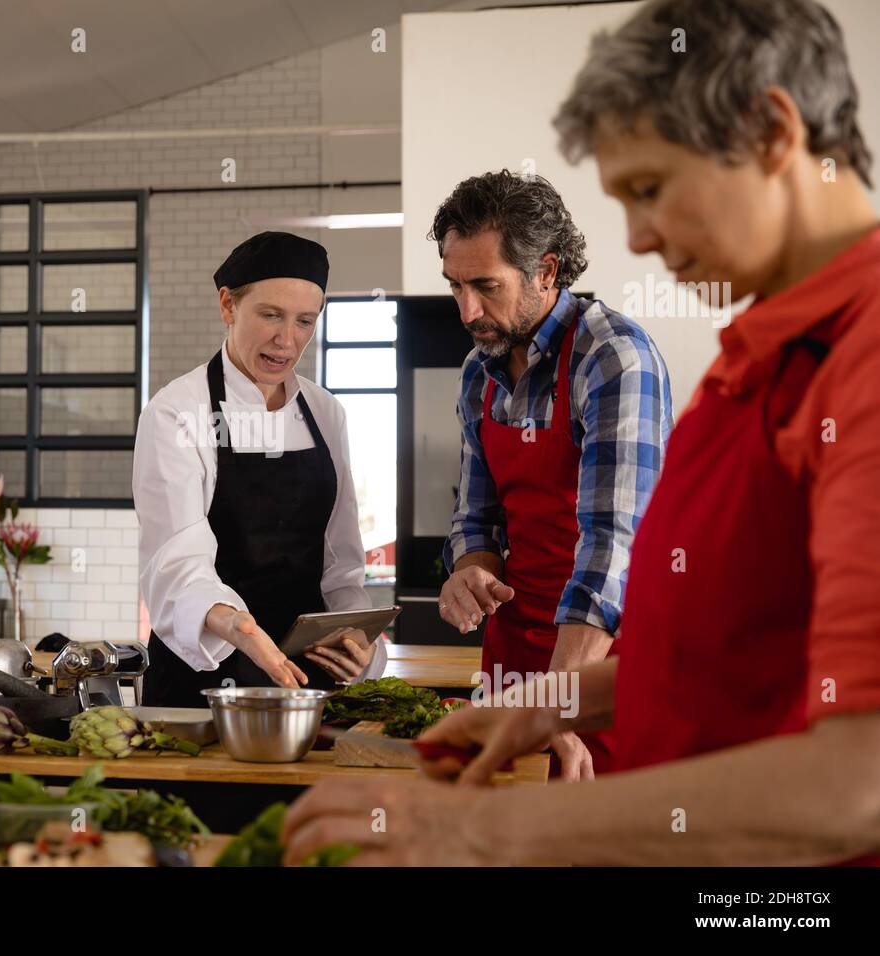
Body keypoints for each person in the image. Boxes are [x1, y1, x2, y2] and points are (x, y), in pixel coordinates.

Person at [282, 0, 880, 866]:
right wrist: (542, 706)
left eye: (649, 188)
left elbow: (859, 780)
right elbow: (719, 653)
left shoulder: (861, 359)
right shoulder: (760, 358)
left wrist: (482, 830)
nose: (637, 234)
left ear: (771, 132)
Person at [433, 171, 672, 778]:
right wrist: (471, 567)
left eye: (486, 286)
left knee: (603, 836)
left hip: (603, 660)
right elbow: (476, 515)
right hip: (513, 655)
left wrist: (555, 705)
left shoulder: (612, 357)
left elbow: (613, 545)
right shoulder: (477, 369)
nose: (468, 310)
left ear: (546, 270)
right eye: (455, 286)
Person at [134, 232, 385, 707]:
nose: (286, 340)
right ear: (227, 305)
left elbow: (342, 569)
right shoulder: (177, 412)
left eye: (305, 321)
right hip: (203, 677)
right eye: (270, 315)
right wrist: (240, 625)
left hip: (306, 685)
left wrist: (357, 639)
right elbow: (176, 563)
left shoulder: (326, 413)